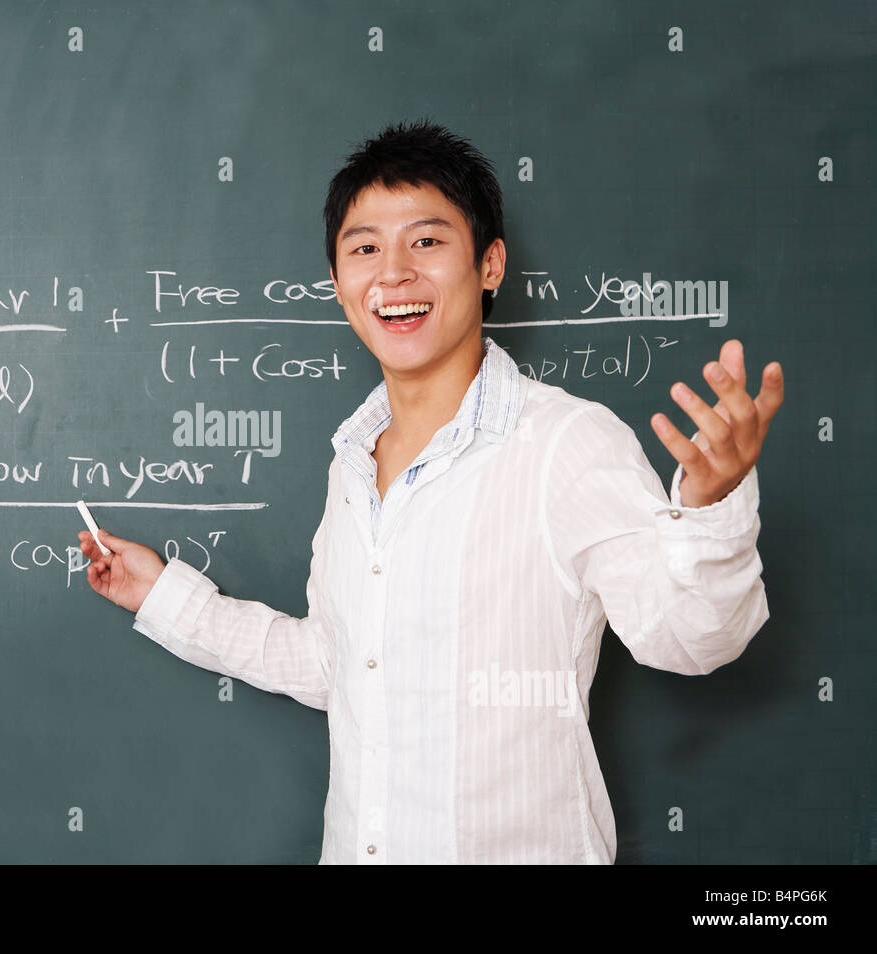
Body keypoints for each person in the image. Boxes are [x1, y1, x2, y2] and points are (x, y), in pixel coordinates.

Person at [77, 121, 785, 864]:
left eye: (426, 241)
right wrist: (157, 594)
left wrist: (711, 505)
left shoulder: (566, 444)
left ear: (489, 264)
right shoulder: (351, 462)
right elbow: (336, 663)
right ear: (338, 283)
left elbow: (689, 641)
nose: (393, 275)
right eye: (364, 249)